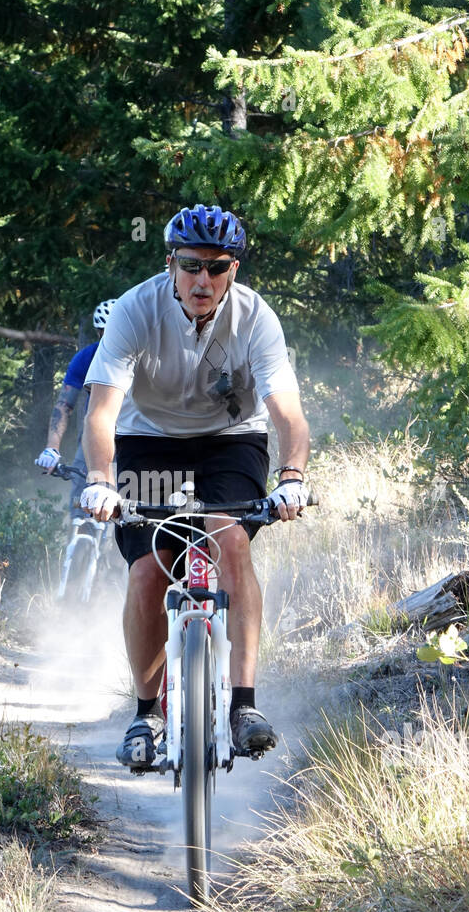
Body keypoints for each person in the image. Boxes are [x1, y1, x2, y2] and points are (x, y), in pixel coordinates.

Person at [80, 204, 310, 764]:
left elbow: (288, 413)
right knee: (147, 567)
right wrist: (100, 480)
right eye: (190, 265)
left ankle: (244, 706)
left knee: (230, 539)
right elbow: (101, 413)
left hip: (232, 439)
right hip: (149, 439)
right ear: (171, 265)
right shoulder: (135, 310)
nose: (202, 279)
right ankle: (146, 715)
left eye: (217, 267)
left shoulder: (256, 318)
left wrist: (292, 478)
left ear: (233, 270)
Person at [34, 299, 116, 517]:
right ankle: (78, 530)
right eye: (104, 332)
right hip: (97, 433)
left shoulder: (142, 356)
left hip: (133, 433)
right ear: (98, 333)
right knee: (82, 487)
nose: (110, 338)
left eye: (116, 331)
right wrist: (52, 448)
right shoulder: (86, 358)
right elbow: (64, 404)